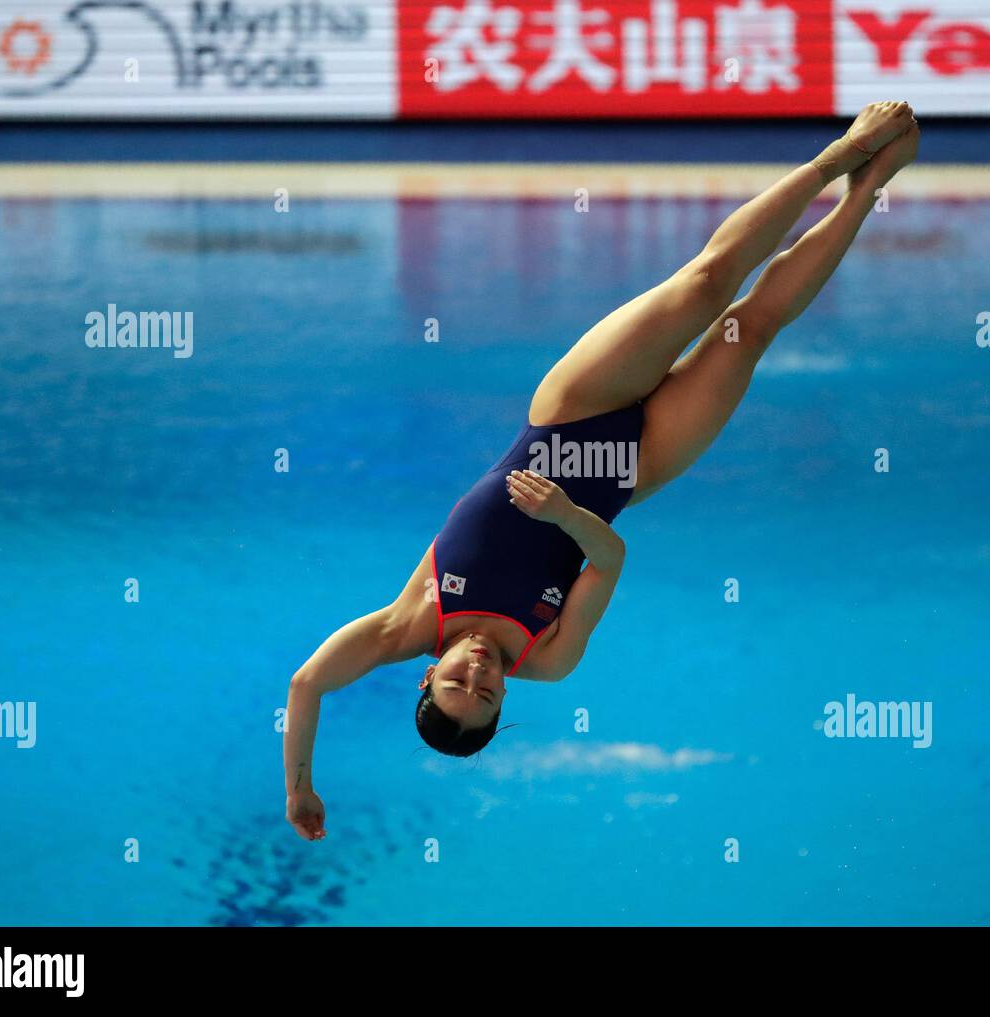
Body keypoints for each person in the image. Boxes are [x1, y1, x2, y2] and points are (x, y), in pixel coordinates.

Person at [285, 102, 921, 841]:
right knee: (753, 328)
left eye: (457, 681)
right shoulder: (545, 660)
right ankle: (872, 184)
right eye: (486, 694)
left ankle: (841, 154)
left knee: (710, 282)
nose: (478, 674)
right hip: (632, 468)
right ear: (502, 704)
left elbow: (307, 684)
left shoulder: (410, 624)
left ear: (429, 675)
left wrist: (300, 789)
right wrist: (563, 516)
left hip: (573, 413)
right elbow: (612, 558)